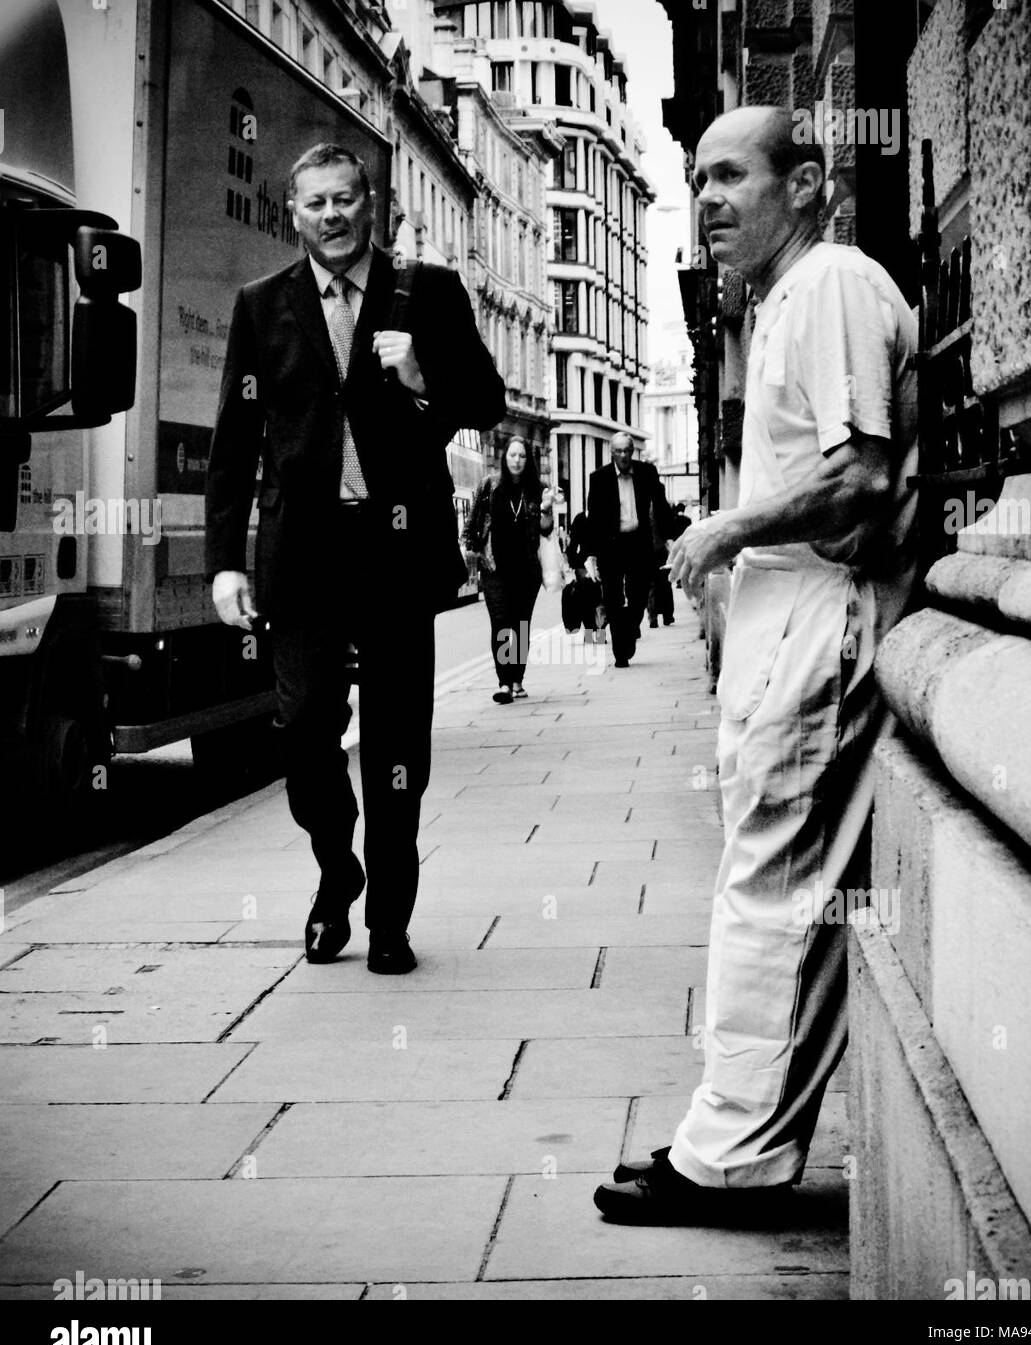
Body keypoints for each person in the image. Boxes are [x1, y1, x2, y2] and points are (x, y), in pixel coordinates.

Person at [593, 106, 919, 1222]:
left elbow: (859, 478)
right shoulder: (785, 299)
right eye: (696, 180)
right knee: (770, 893)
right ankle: (731, 1136)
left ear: (810, 182)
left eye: (731, 175)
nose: (708, 201)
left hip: (815, 630)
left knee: (771, 895)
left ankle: (731, 1157)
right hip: (786, 638)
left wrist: (725, 531)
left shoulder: (830, 283)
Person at [205, 143, 505, 976]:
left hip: (397, 554)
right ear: (292, 213)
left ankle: (390, 920)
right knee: (304, 735)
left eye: (346, 199)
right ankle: (337, 871)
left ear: (371, 204)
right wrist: (226, 560)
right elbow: (234, 445)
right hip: (302, 555)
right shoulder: (261, 306)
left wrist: (419, 374)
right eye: (315, 204)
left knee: (398, 740)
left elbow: (486, 401)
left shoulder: (428, 293)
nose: (332, 216)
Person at [463, 436, 555, 703]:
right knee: (501, 624)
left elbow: (546, 530)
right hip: (495, 568)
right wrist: (473, 548)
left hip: (527, 569)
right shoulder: (490, 486)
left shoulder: (538, 489)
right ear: (505, 458)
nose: (517, 460)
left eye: (522, 456)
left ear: (528, 460)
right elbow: (473, 522)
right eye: (512, 455)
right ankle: (504, 682)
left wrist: (547, 510)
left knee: (520, 626)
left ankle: (518, 679)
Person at [579, 433, 678, 667]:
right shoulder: (599, 478)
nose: (623, 456)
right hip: (611, 546)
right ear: (611, 453)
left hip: (638, 543)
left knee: (639, 595)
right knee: (612, 598)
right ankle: (620, 653)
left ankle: (631, 626)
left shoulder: (647, 473)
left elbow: (661, 506)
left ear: (633, 452)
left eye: (627, 451)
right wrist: (591, 553)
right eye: (618, 451)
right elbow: (593, 518)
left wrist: (670, 538)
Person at [647, 501, 692, 626]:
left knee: (652, 586)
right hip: (661, 551)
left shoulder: (642, 507)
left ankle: (653, 617)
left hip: (649, 552)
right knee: (665, 584)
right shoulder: (660, 508)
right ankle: (667, 616)